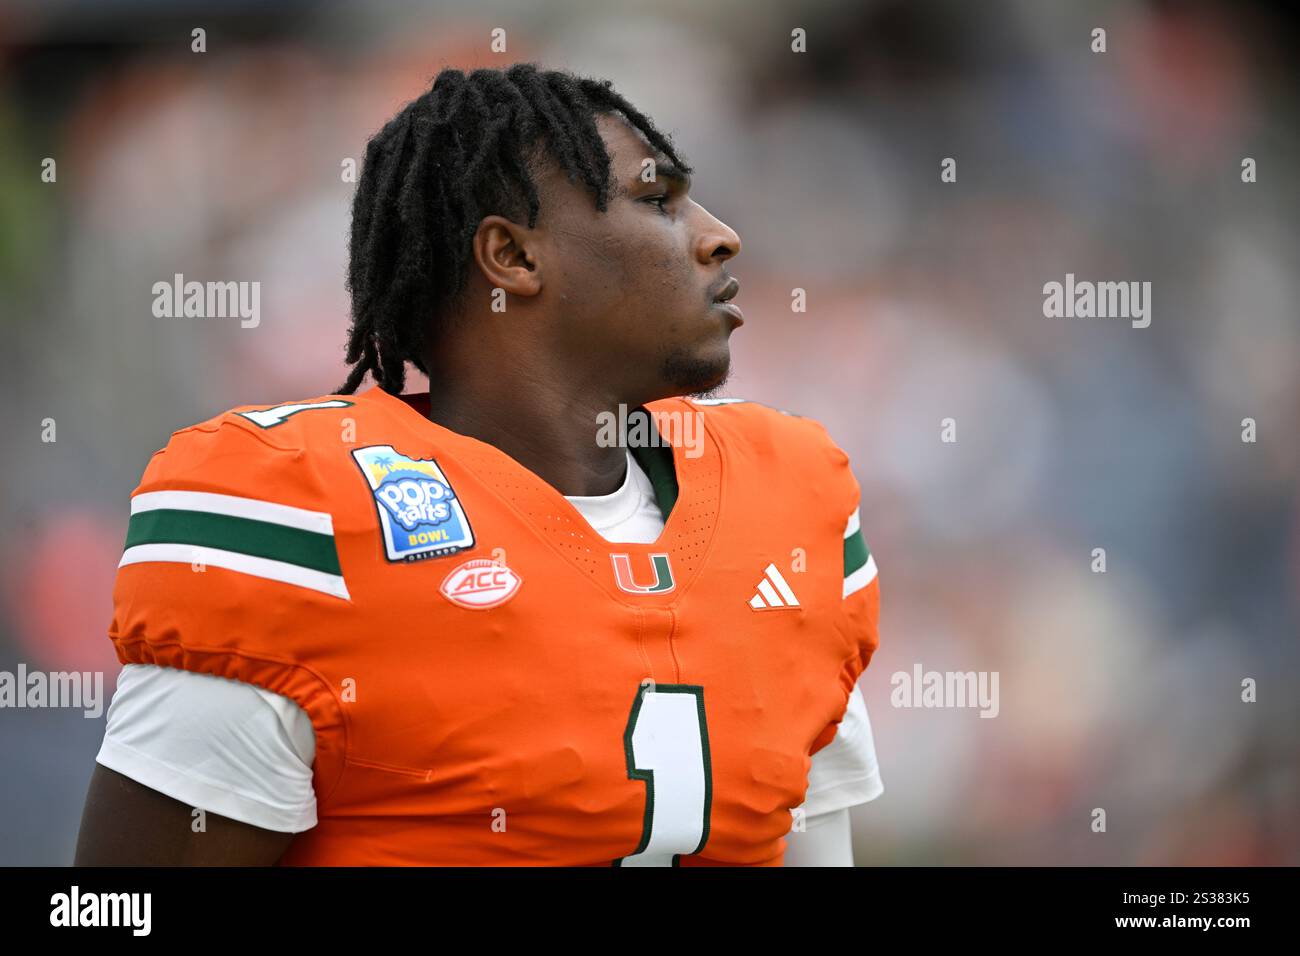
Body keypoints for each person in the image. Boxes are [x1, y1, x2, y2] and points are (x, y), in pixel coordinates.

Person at [75, 63, 882, 866]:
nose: (718, 234)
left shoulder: (789, 504)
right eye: (656, 200)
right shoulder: (303, 514)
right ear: (512, 257)